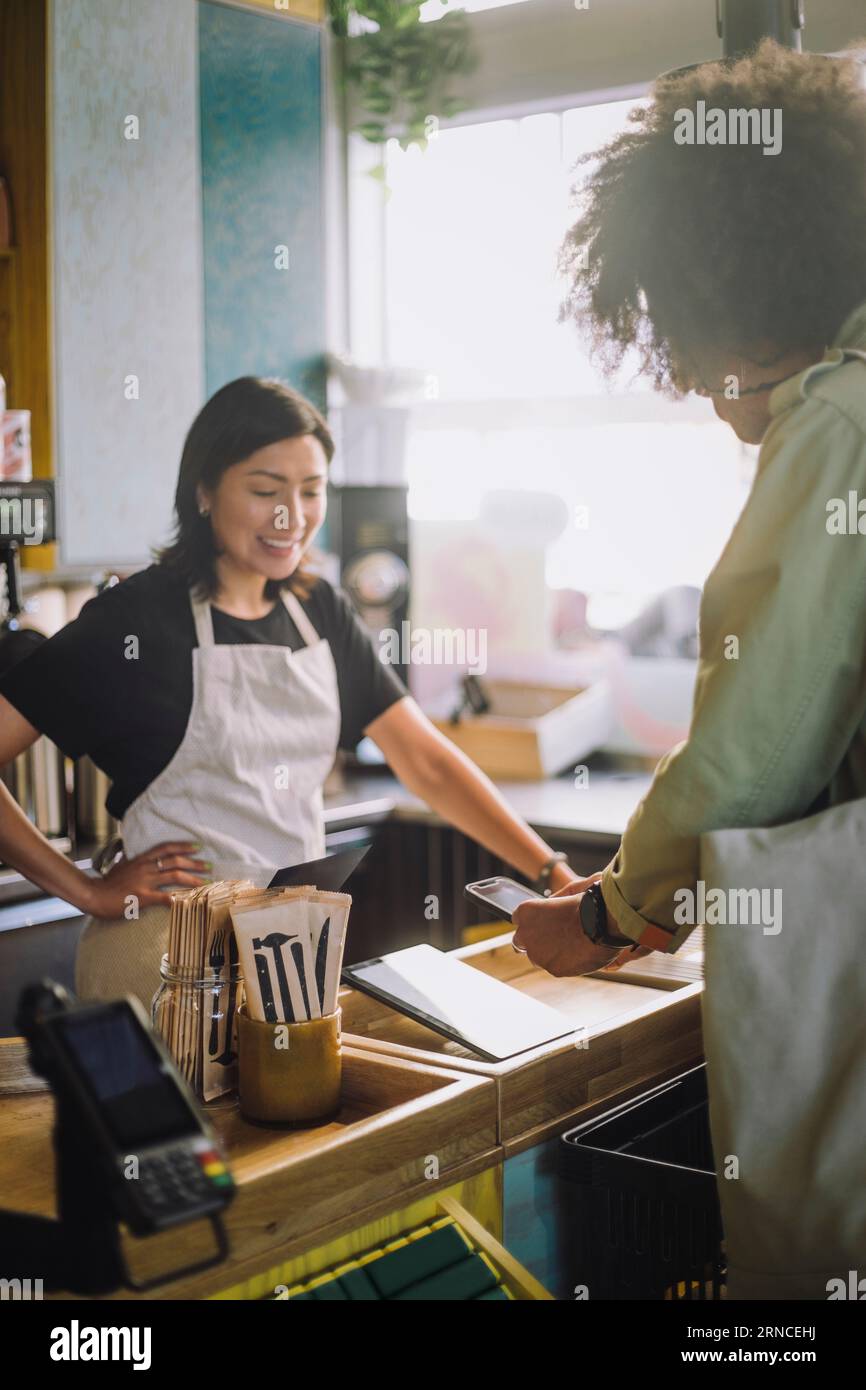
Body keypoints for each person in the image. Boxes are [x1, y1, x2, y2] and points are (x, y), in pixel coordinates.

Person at [0, 376, 575, 1007]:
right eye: (265, 490)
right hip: (164, 960)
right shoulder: (135, 618)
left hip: (289, 955)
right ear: (203, 491)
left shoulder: (319, 608)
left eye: (311, 490)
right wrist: (86, 889)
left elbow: (428, 762)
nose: (291, 517)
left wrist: (551, 873)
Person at [513, 40, 866, 971]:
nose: (707, 395)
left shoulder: (838, 421)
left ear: (722, 289)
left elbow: (754, 750)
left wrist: (612, 915)